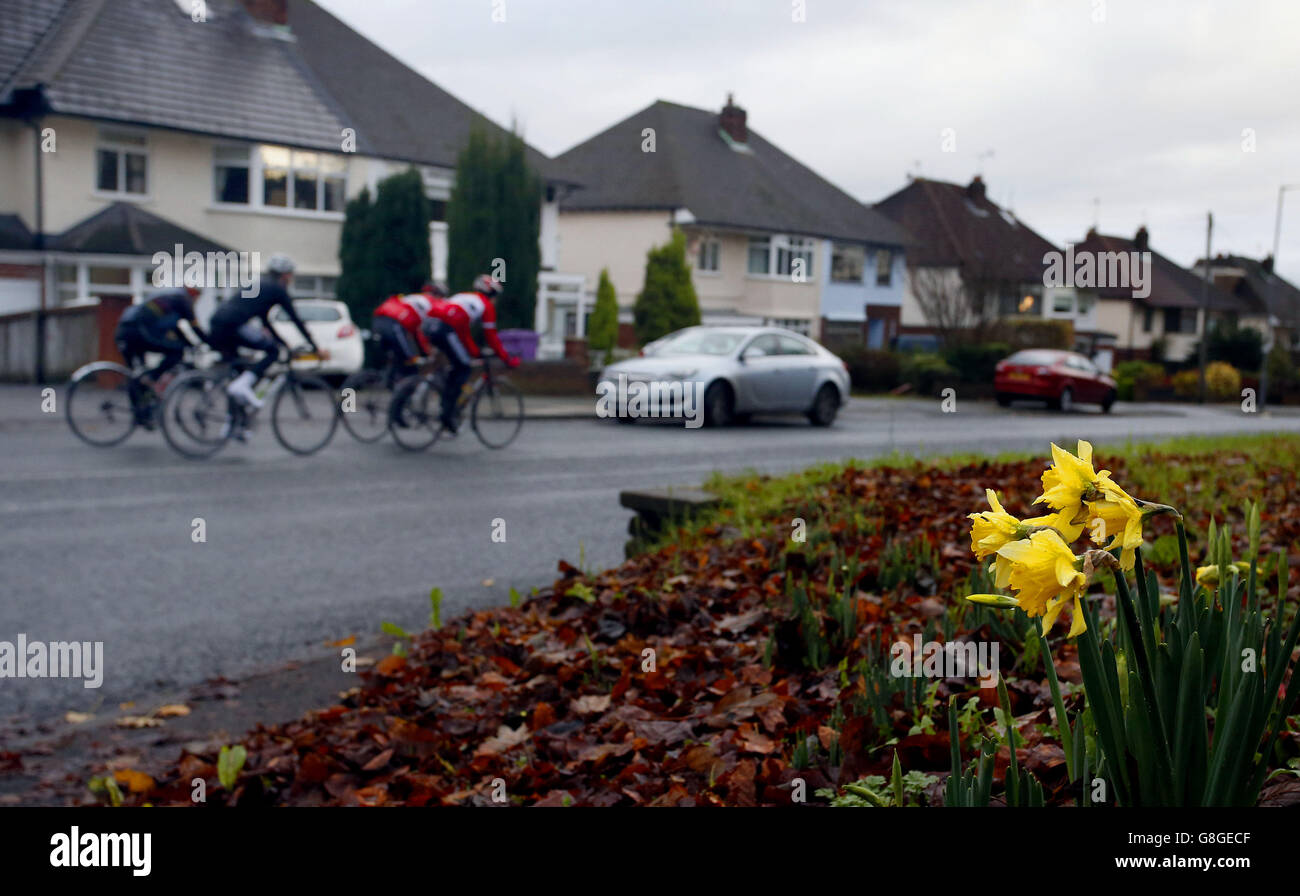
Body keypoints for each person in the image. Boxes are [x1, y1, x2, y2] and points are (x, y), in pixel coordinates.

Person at [206, 254, 320, 409]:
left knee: (238, 375)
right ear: (285, 275)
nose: (291, 278)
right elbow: (295, 319)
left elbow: (265, 320)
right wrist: (313, 345)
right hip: (233, 324)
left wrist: (283, 342)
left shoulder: (261, 285)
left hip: (217, 323)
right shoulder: (278, 290)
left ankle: (234, 425)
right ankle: (242, 387)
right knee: (272, 351)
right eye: (290, 274)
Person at [419, 274, 520, 433]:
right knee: (464, 368)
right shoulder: (485, 305)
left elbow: (463, 332)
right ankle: (447, 414)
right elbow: (491, 336)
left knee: (456, 363)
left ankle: (440, 385)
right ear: (492, 294)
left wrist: (474, 352)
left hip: (429, 325)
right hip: (444, 328)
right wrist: (507, 358)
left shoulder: (463, 297)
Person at [114, 285, 207, 386]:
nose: (196, 300)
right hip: (138, 331)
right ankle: (152, 377)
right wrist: (211, 342)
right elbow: (194, 327)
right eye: (197, 297)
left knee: (137, 373)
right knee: (177, 352)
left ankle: (142, 393)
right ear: (193, 293)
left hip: (125, 331)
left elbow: (176, 329)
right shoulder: (182, 299)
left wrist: (189, 343)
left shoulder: (170, 295)